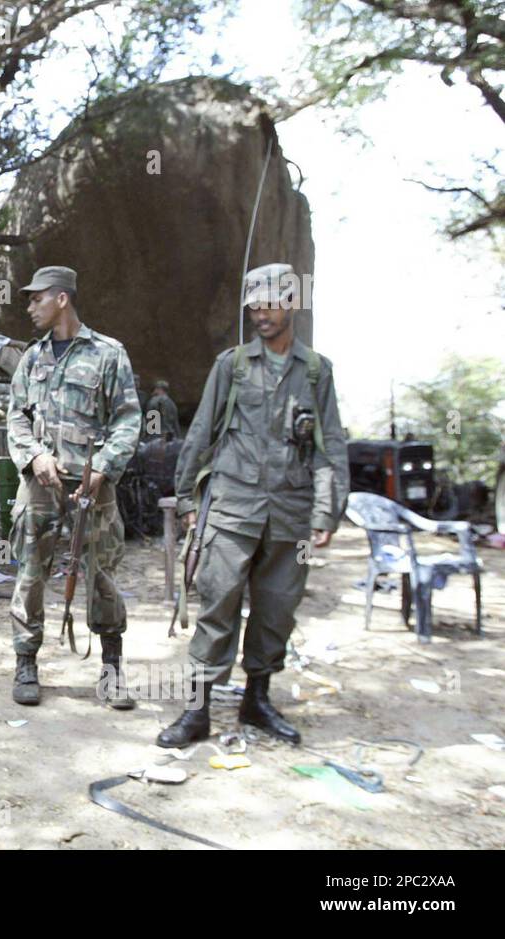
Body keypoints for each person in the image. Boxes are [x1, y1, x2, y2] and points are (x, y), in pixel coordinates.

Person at [157, 262, 348, 747]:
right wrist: (184, 498)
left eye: (271, 303)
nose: (261, 313)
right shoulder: (233, 365)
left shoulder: (316, 371)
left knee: (277, 610)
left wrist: (327, 511)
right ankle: (196, 712)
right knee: (217, 603)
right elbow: (201, 432)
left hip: (291, 514)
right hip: (231, 507)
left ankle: (257, 701)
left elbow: (331, 447)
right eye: (254, 305)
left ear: (292, 304)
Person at [6, 266, 142, 708]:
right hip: (42, 482)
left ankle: (112, 671)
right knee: (30, 573)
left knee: (101, 574)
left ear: (61, 299)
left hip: (92, 483)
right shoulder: (32, 358)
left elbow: (127, 419)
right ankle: (26, 663)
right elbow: (16, 418)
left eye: (36, 298)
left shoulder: (108, 353)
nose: (30, 307)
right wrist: (34, 456)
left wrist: (103, 468)